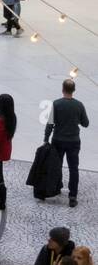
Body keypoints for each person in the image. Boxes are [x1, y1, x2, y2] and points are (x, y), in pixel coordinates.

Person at [44, 79, 89, 208]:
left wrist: (46, 138)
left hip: (58, 140)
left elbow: (50, 123)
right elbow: (86, 123)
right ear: (74, 90)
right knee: (73, 168)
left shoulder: (56, 104)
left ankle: (55, 188)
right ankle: (72, 196)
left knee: (57, 165)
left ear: (62, 89)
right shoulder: (79, 105)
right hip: (73, 141)